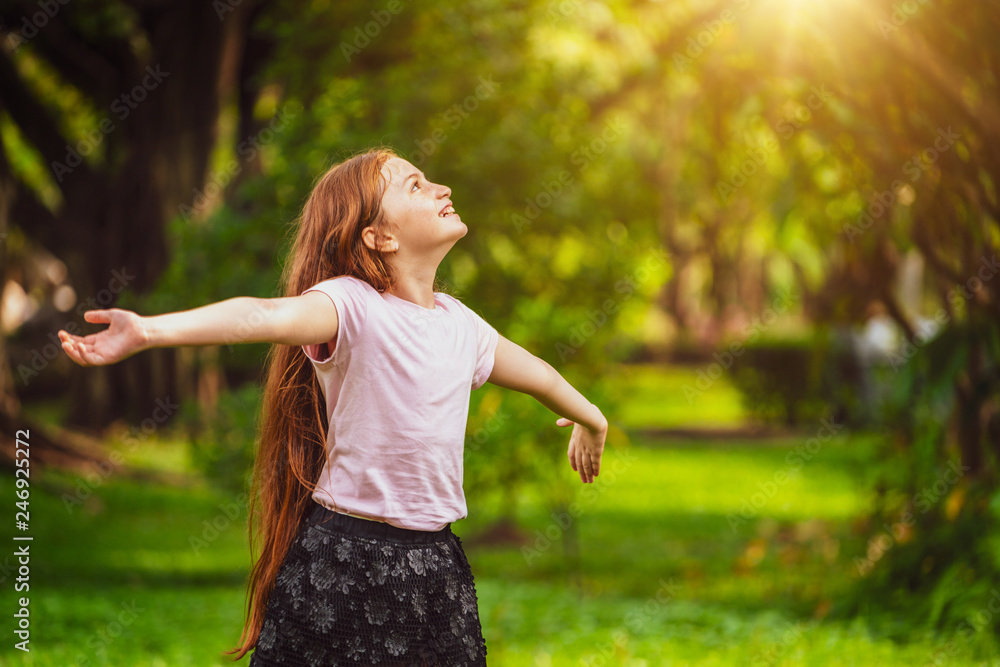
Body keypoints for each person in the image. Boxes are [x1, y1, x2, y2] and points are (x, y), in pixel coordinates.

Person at [58, 147, 609, 666]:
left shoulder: (462, 325)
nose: (441, 187)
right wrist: (149, 330)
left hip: (437, 570)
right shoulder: (351, 305)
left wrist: (591, 417)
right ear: (380, 237)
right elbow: (262, 315)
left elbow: (538, 374)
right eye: (416, 185)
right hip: (344, 564)